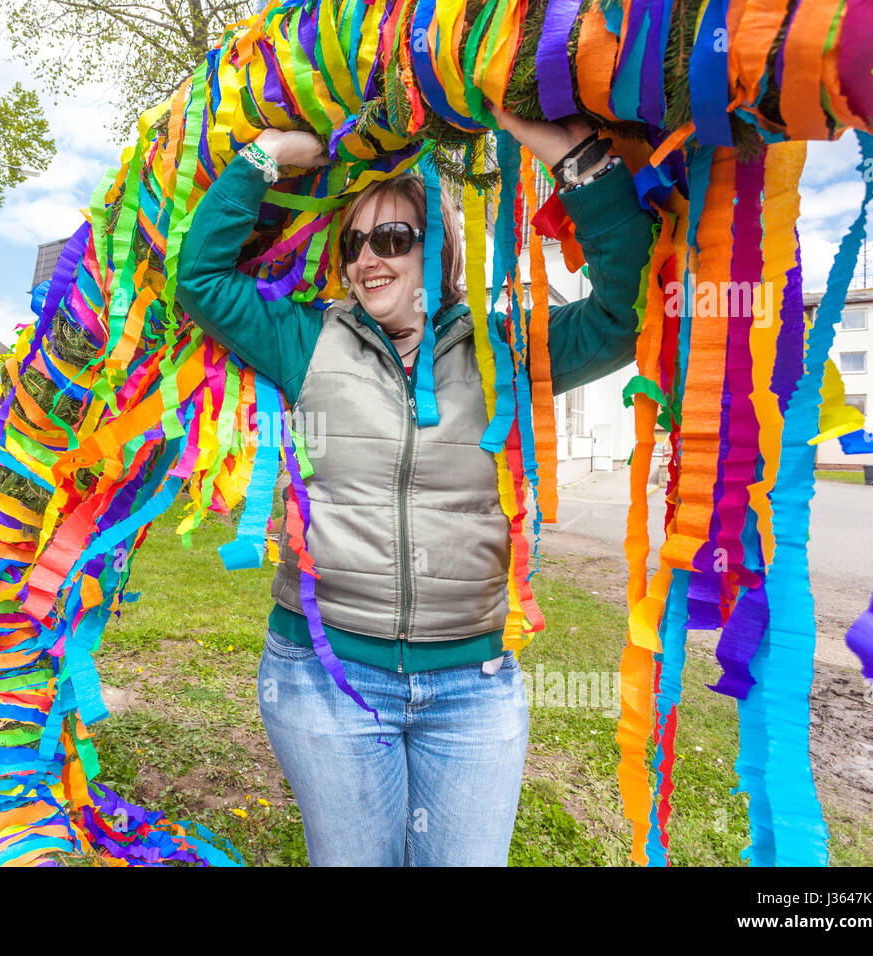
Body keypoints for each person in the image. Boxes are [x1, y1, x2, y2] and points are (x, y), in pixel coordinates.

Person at [175, 104, 657, 866]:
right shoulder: (304, 340)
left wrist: (579, 164)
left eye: (394, 239)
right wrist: (267, 156)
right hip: (325, 678)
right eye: (356, 242)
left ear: (440, 252)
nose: (370, 259)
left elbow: (623, 315)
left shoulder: (509, 352)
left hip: (472, 685)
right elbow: (199, 276)